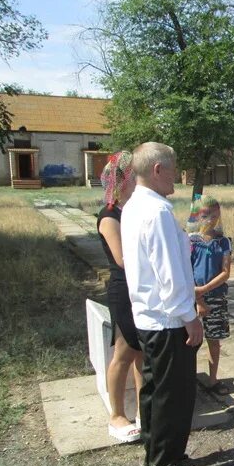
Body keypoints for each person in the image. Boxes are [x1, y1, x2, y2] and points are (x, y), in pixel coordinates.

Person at [121, 142, 204, 466]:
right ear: (157, 170)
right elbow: (169, 274)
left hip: (148, 315)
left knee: (155, 389)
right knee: (175, 394)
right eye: (174, 169)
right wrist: (190, 317)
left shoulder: (134, 206)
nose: (178, 176)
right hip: (168, 319)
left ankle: (155, 451)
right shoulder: (157, 212)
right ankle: (168, 463)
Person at [96, 151, 143, 443]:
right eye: (134, 176)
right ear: (122, 180)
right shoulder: (109, 216)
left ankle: (143, 410)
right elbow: (122, 259)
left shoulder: (131, 210)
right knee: (124, 353)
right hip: (123, 289)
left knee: (142, 353)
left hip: (140, 289)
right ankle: (116, 416)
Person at [187, 195, 232, 396]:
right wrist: (197, 298)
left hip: (216, 297)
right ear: (198, 215)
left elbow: (225, 272)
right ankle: (188, 379)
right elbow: (185, 270)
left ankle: (213, 380)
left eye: (214, 214)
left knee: (214, 340)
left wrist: (204, 291)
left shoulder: (223, 242)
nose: (210, 219)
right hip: (191, 298)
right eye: (205, 214)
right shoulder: (191, 241)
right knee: (190, 341)